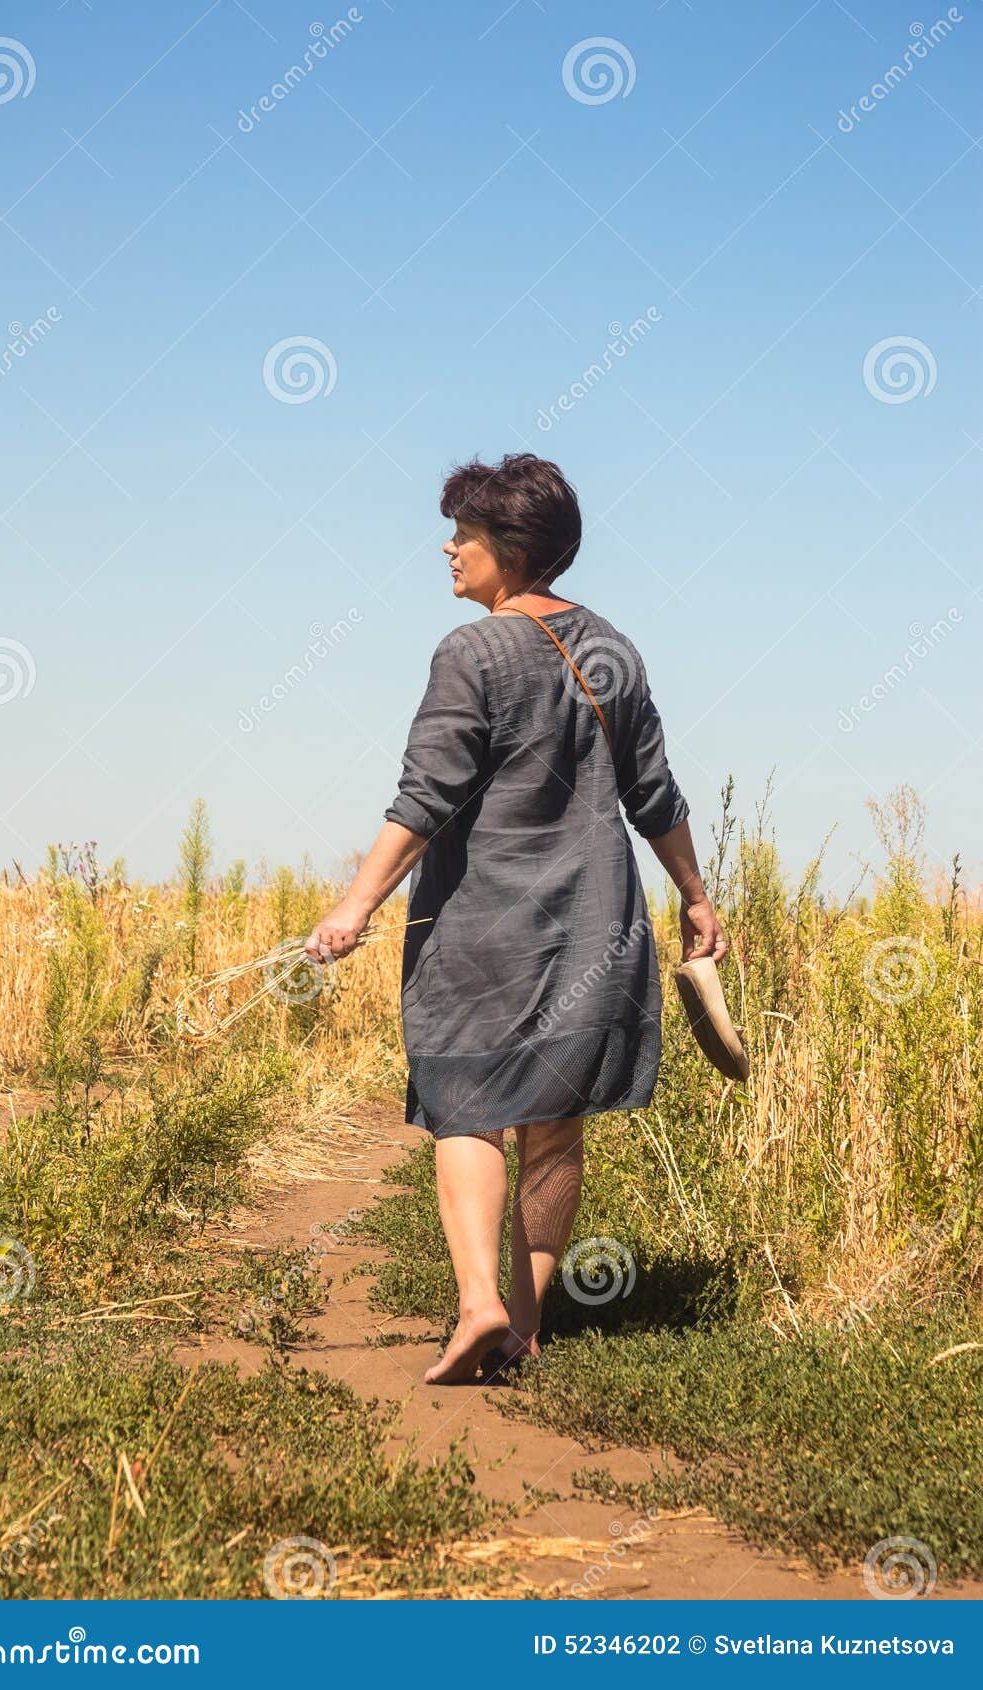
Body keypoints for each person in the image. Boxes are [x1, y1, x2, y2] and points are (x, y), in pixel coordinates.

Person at [305, 453, 726, 1384]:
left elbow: (425, 798)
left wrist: (355, 904)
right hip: (597, 922)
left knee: (466, 1104)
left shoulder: (472, 652)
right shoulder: (613, 647)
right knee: (555, 1120)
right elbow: (652, 793)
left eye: (464, 534)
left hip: (478, 924)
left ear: (510, 548)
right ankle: (527, 1330)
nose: (449, 550)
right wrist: (695, 895)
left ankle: (479, 1306)